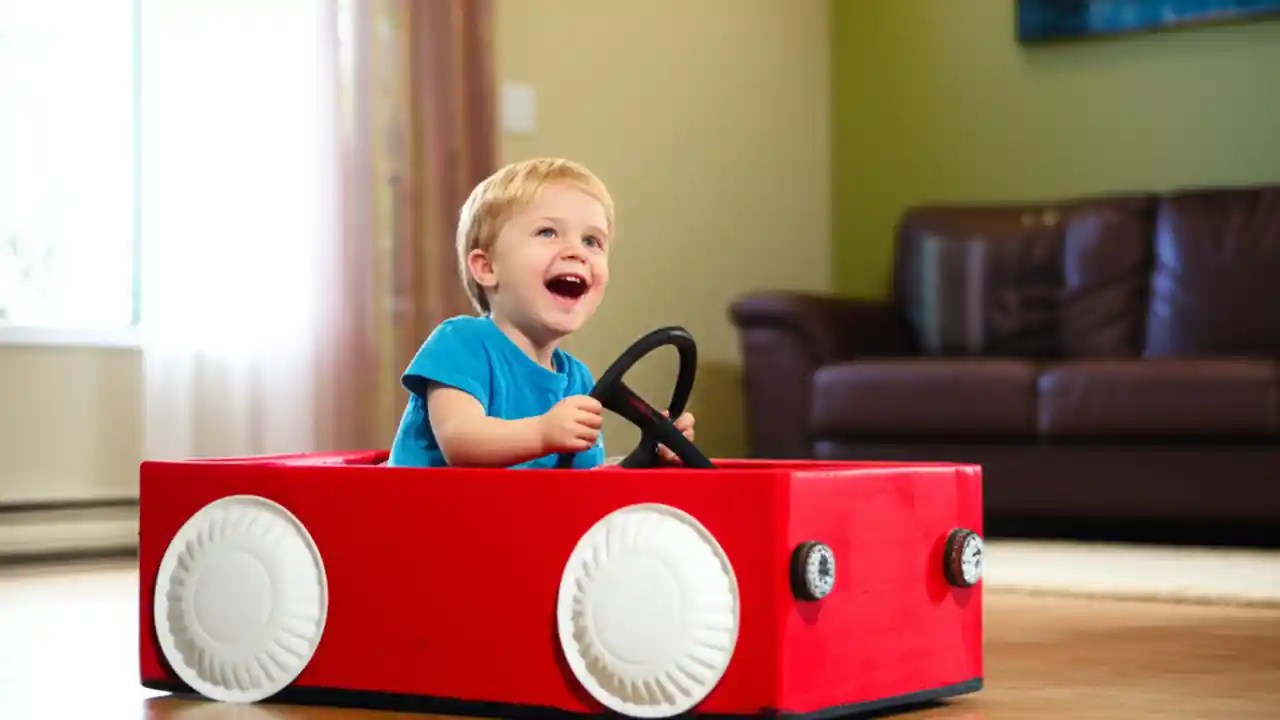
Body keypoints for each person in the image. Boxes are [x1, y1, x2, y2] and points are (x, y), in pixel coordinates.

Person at [387, 157, 695, 469]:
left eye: (591, 241)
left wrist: (650, 456)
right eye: (548, 232)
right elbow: (459, 441)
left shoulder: (577, 380)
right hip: (424, 513)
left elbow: (579, 484)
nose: (576, 251)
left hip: (515, 517)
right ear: (488, 267)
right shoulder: (461, 343)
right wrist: (542, 433)